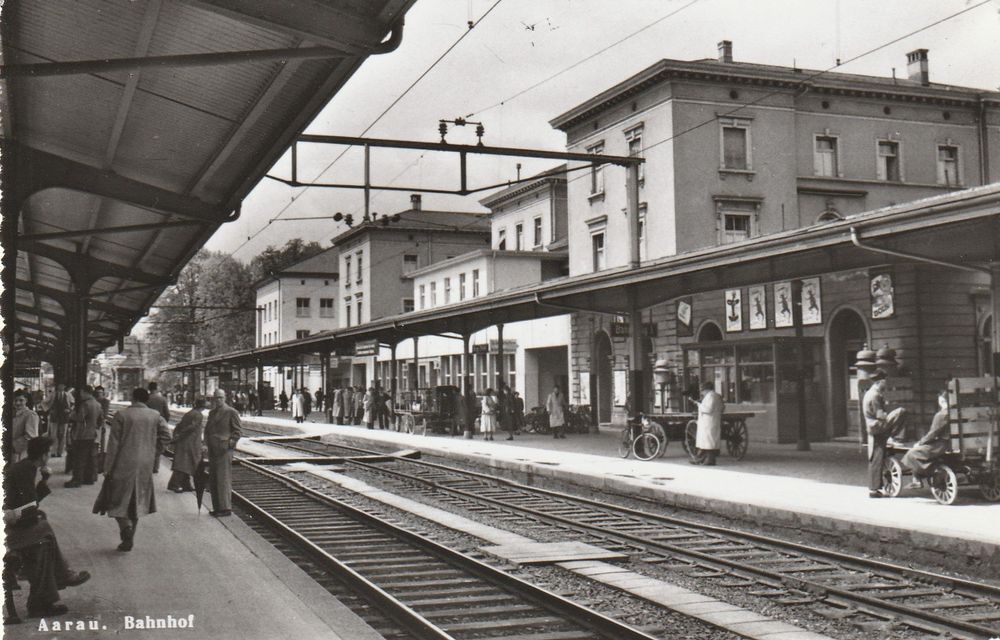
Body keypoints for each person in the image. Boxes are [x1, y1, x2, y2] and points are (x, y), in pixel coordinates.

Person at [4, 437, 90, 618]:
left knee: (44, 544)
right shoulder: (27, 470)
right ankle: (58, 582)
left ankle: (44, 600)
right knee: (44, 533)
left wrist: (43, 482)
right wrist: (43, 483)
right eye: (48, 453)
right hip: (9, 529)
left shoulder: (26, 466)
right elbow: (28, 505)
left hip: (11, 524)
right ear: (43, 455)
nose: (49, 456)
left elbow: (28, 504)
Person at [101, 388, 171, 552]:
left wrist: (108, 467)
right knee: (137, 501)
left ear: (132, 398)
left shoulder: (122, 415)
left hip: (122, 463)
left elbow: (113, 444)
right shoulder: (155, 416)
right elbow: (167, 436)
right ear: (146, 399)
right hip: (145, 464)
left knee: (116, 499)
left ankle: (125, 527)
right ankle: (129, 540)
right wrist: (153, 452)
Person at [901, 391, 950, 489]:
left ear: (941, 400)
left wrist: (920, 443)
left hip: (941, 445)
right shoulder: (958, 412)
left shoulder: (941, 415)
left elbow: (932, 434)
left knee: (912, 453)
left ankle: (927, 475)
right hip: (953, 444)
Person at [204, 389, 241, 517]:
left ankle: (225, 508)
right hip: (213, 449)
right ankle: (217, 507)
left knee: (223, 478)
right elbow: (207, 429)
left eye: (220, 397)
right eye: (216, 398)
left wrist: (230, 444)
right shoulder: (212, 413)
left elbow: (237, 431)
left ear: (225, 398)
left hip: (224, 450)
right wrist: (205, 444)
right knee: (214, 479)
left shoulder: (231, 412)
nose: (218, 400)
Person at [167, 398, 206, 493]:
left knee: (186, 463)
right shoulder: (198, 415)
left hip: (186, 441)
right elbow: (191, 427)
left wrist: (178, 436)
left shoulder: (190, 413)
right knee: (185, 464)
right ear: (203, 406)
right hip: (190, 442)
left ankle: (186, 484)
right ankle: (174, 484)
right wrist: (179, 436)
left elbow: (180, 425)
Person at [66, 386, 102, 488]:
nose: (80, 395)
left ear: (86, 392)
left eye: (82, 393)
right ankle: (89, 479)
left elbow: (79, 417)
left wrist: (71, 414)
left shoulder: (85, 404)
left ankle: (77, 480)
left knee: (79, 458)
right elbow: (100, 419)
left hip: (82, 434)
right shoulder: (97, 404)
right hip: (92, 434)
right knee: (89, 458)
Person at [863, 370, 891, 498]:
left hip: (874, 428)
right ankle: (874, 489)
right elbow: (880, 415)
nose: (886, 384)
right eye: (885, 381)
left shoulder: (871, 393)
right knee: (877, 458)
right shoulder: (875, 395)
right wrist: (889, 416)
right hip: (877, 428)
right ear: (880, 381)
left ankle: (875, 488)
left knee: (876, 458)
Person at [692, 380, 724, 466]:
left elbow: (708, 409)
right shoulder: (717, 396)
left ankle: (710, 460)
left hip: (708, 421)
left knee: (708, 441)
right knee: (709, 441)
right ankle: (703, 458)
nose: (701, 392)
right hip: (712, 421)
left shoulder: (710, 396)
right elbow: (722, 407)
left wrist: (699, 405)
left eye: (702, 390)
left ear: (706, 389)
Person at [146, 382, 169, 474]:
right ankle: (155, 467)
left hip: (147, 424)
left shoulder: (146, 398)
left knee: (147, 444)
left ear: (149, 388)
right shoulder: (162, 399)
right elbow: (167, 413)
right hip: (159, 424)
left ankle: (148, 465)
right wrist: (164, 423)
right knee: (158, 445)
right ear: (157, 388)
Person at [12, 392, 40, 463]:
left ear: (26, 401)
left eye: (21, 400)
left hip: (23, 453)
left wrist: (14, 445)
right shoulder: (13, 414)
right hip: (12, 452)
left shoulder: (30, 415)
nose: (18, 403)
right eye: (15, 400)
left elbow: (31, 436)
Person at [46, 384, 72, 458]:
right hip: (54, 417)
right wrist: (49, 410)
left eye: (62, 385)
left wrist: (69, 410)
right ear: (57, 386)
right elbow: (45, 402)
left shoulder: (68, 395)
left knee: (63, 435)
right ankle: (53, 451)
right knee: (54, 435)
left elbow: (74, 403)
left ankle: (60, 452)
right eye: (59, 385)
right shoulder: (52, 395)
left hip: (64, 417)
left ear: (64, 387)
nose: (60, 387)